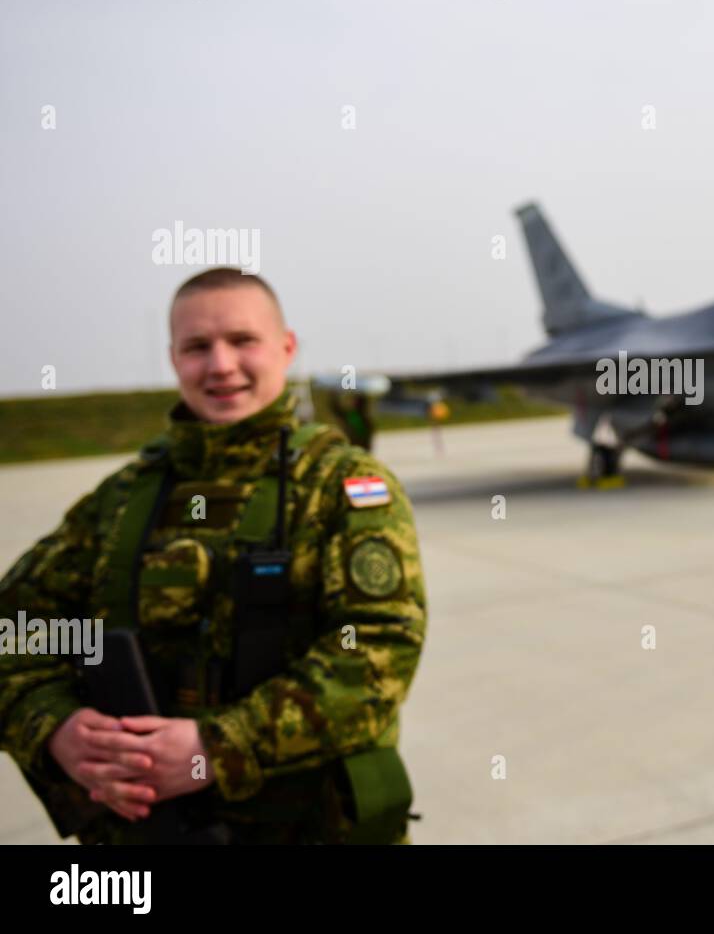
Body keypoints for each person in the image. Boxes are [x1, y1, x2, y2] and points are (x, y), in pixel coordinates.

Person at [0, 268, 426, 844]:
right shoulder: (121, 500)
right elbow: (15, 629)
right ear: (174, 359)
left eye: (242, 340)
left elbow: (378, 651)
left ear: (286, 347)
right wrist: (56, 729)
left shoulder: (343, 487)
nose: (221, 365)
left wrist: (214, 747)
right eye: (197, 347)